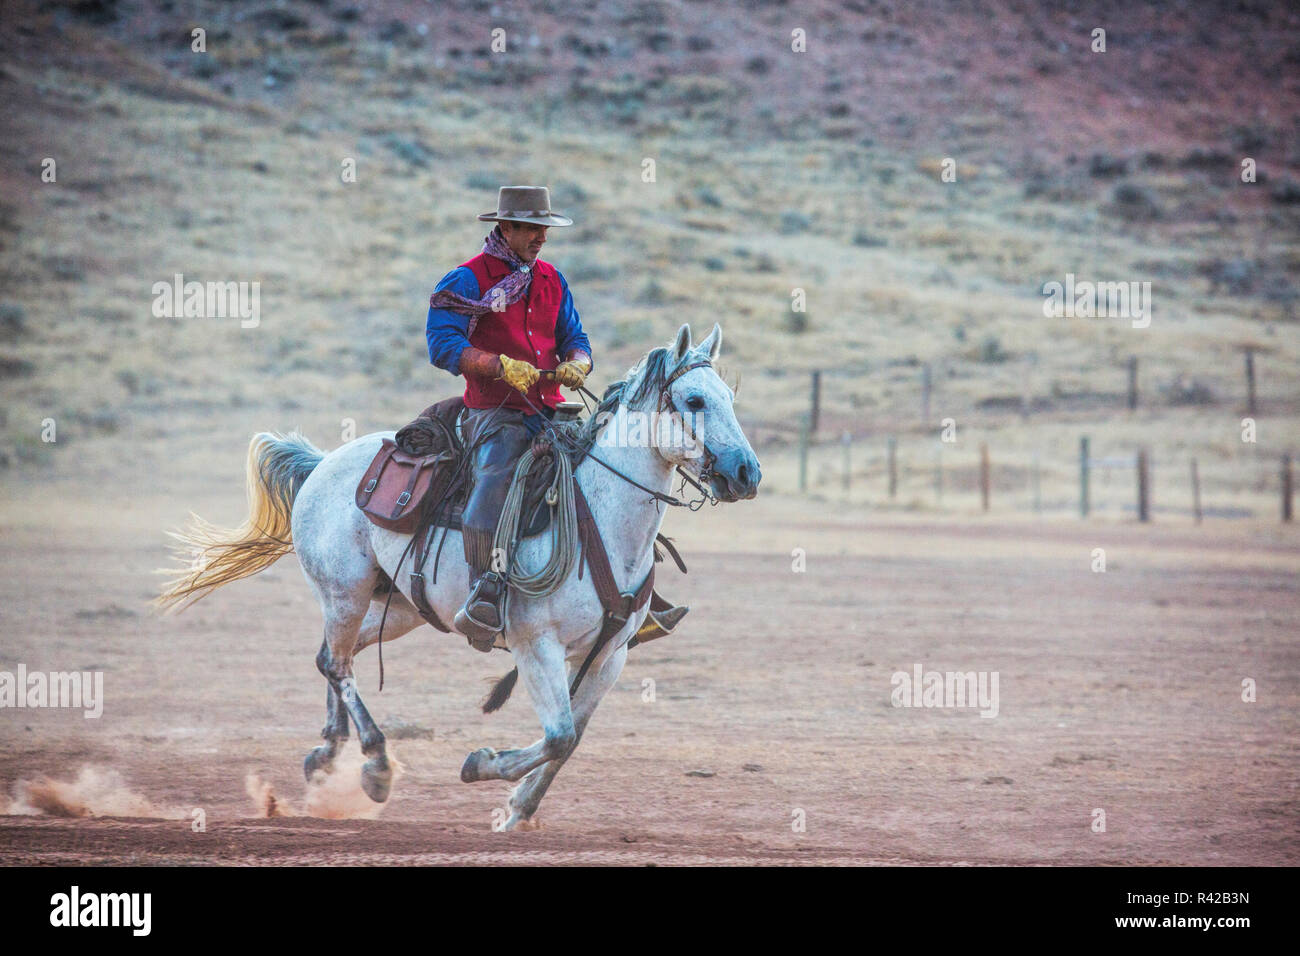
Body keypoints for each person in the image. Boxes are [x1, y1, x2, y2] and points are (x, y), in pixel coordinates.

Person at [425, 186, 593, 650]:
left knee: (608, 475)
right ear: (507, 228)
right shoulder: (466, 279)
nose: (542, 237)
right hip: (494, 414)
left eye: (545, 229)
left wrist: (579, 361)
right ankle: (485, 592)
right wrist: (497, 366)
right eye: (533, 228)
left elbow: (574, 335)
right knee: (495, 482)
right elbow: (442, 345)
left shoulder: (552, 280)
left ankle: (629, 590)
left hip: (553, 411)